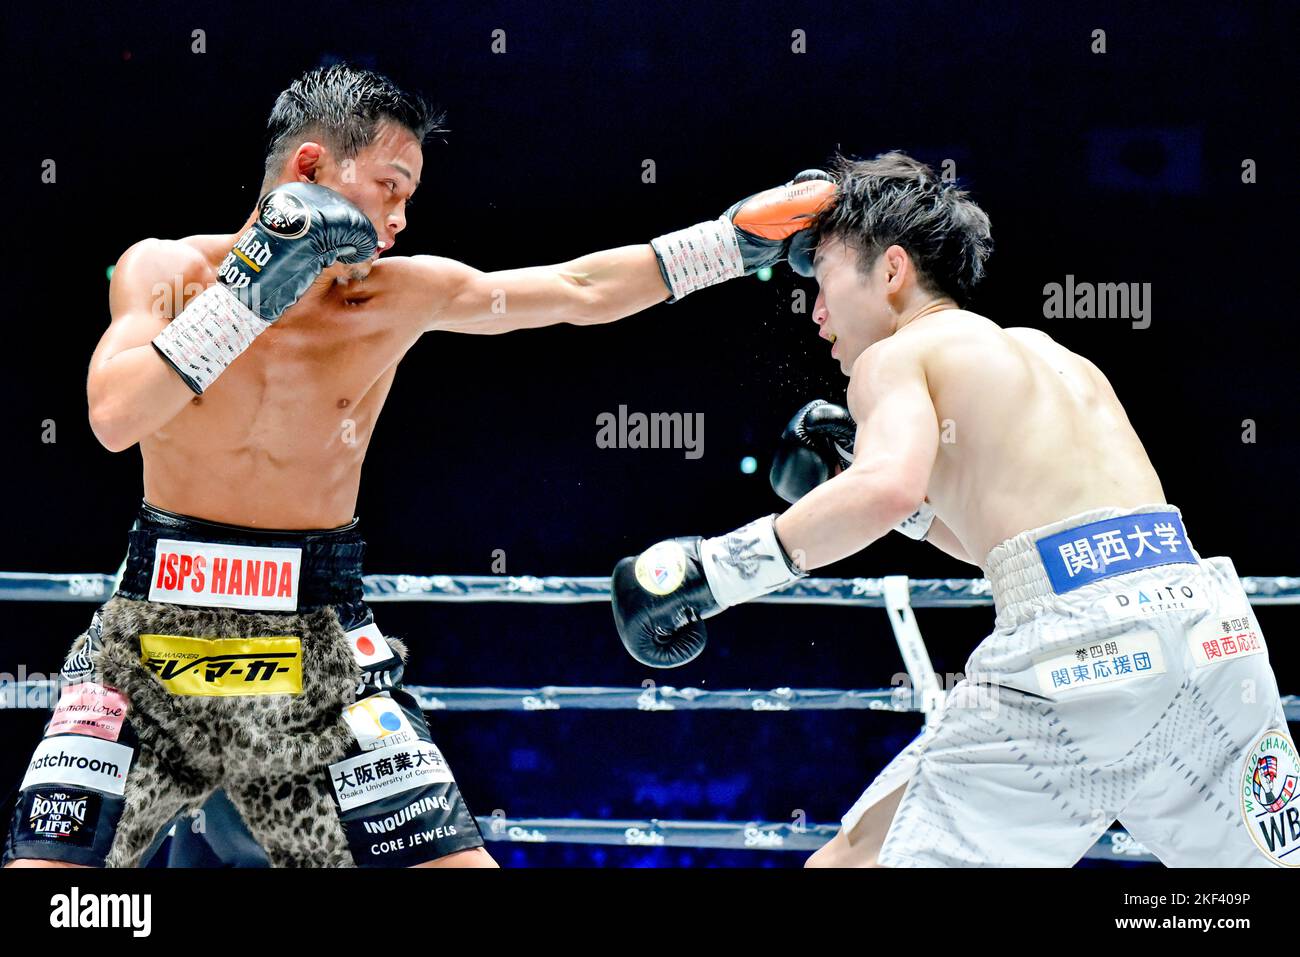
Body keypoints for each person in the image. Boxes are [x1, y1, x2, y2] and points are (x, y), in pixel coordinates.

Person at [2, 62, 832, 868]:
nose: (400, 220)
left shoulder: (394, 296)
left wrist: (729, 245)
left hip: (318, 636)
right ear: (310, 167)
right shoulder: (170, 270)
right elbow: (113, 417)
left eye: (410, 199)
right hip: (154, 632)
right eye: (391, 186)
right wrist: (249, 295)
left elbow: (579, 289)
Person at [611, 151, 1294, 868]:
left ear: (894, 270)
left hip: (1073, 662)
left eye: (823, 281)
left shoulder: (895, 358)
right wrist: (867, 482)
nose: (814, 311)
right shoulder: (1054, 355)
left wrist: (705, 571)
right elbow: (1000, 539)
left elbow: (886, 489)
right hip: (1214, 634)